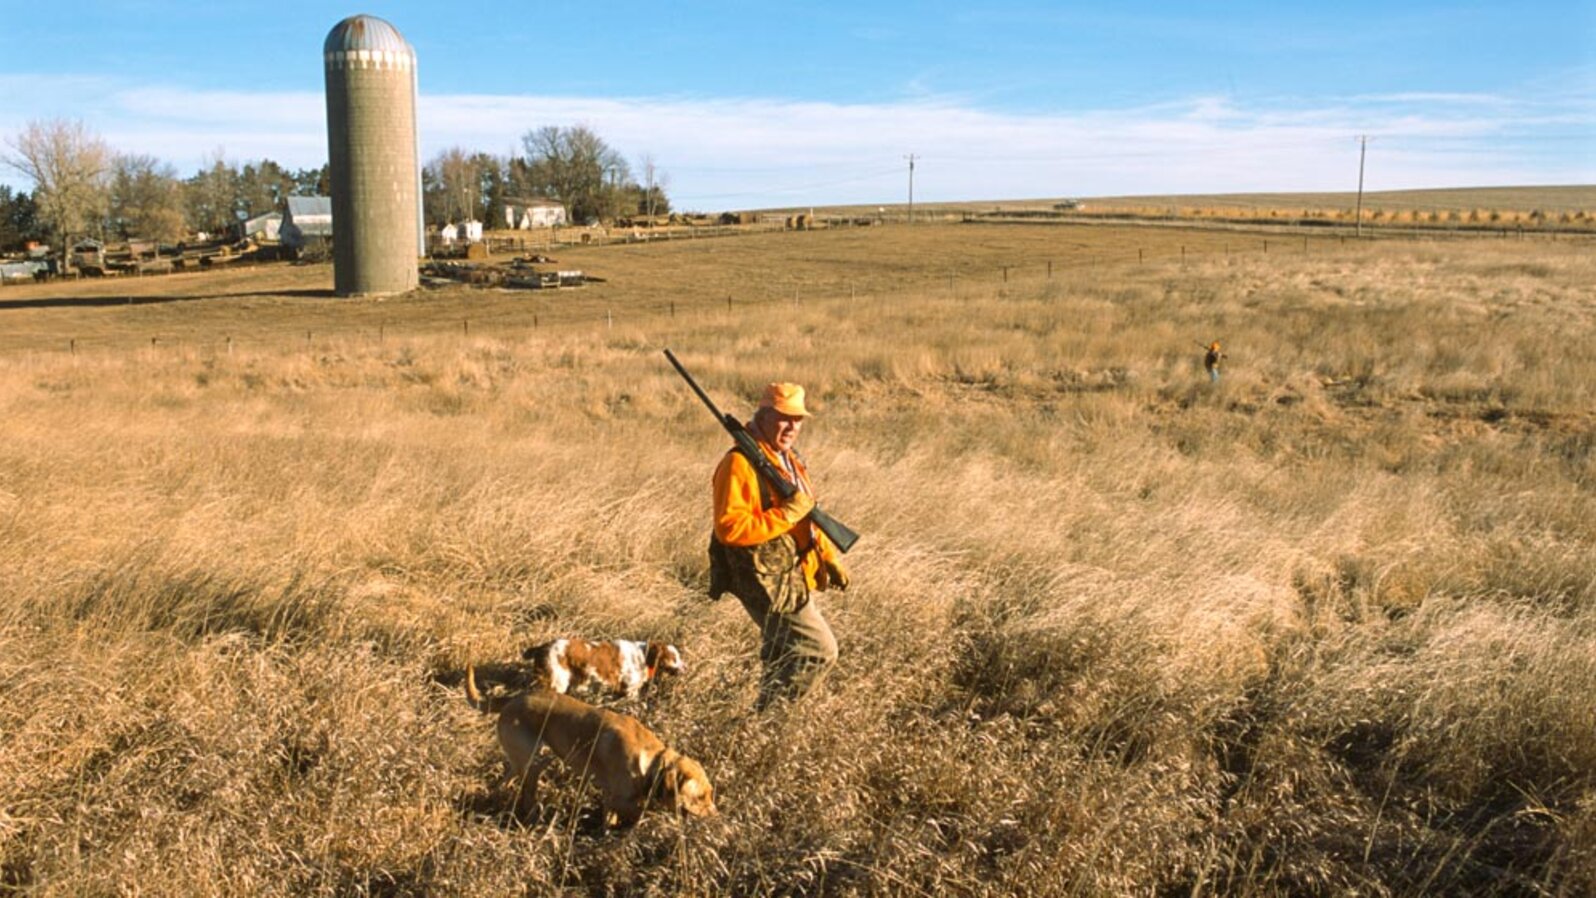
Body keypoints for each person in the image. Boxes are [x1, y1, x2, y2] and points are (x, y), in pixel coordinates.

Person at [707, 382, 849, 711]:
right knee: (819, 649)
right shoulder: (740, 463)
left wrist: (826, 556)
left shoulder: (787, 459)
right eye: (784, 418)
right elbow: (730, 528)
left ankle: (760, 728)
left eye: (798, 419)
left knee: (782, 653)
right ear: (763, 415)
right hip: (765, 580)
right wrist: (785, 514)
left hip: (788, 572)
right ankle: (773, 722)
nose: (792, 427)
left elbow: (807, 514)